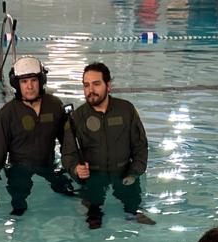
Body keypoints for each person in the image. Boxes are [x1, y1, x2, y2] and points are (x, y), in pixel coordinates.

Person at [62, 62, 155, 229]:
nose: (91, 90)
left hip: (124, 174)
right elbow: (68, 155)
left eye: (96, 84)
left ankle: (131, 212)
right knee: (93, 223)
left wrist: (134, 173)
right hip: (93, 178)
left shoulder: (126, 110)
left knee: (134, 218)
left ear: (108, 85)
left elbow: (141, 147)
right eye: (86, 85)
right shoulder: (76, 118)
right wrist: (76, 170)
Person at [0, 56, 76, 217]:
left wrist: (73, 166)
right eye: (24, 82)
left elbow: (67, 143)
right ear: (17, 85)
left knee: (70, 194)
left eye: (33, 80)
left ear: (41, 81)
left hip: (48, 165)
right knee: (18, 209)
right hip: (18, 169)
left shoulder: (55, 105)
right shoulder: (7, 113)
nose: (29, 86)